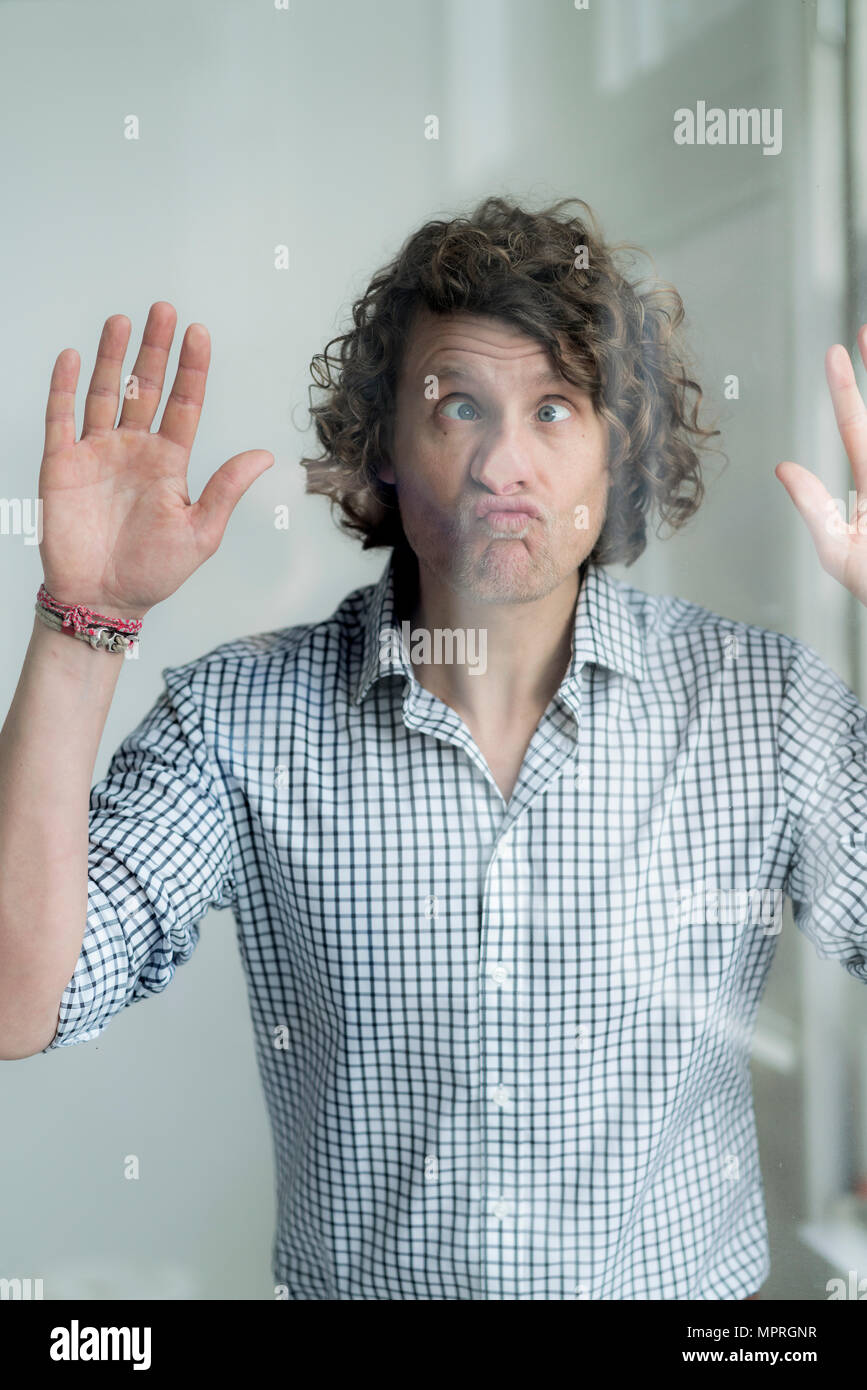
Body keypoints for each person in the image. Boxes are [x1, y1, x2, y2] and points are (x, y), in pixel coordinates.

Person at [1, 196, 865, 1301]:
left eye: (556, 408)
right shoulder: (235, 720)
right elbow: (19, 999)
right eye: (459, 405)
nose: (507, 461)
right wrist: (84, 620)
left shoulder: (763, 705)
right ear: (385, 451)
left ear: (619, 453)